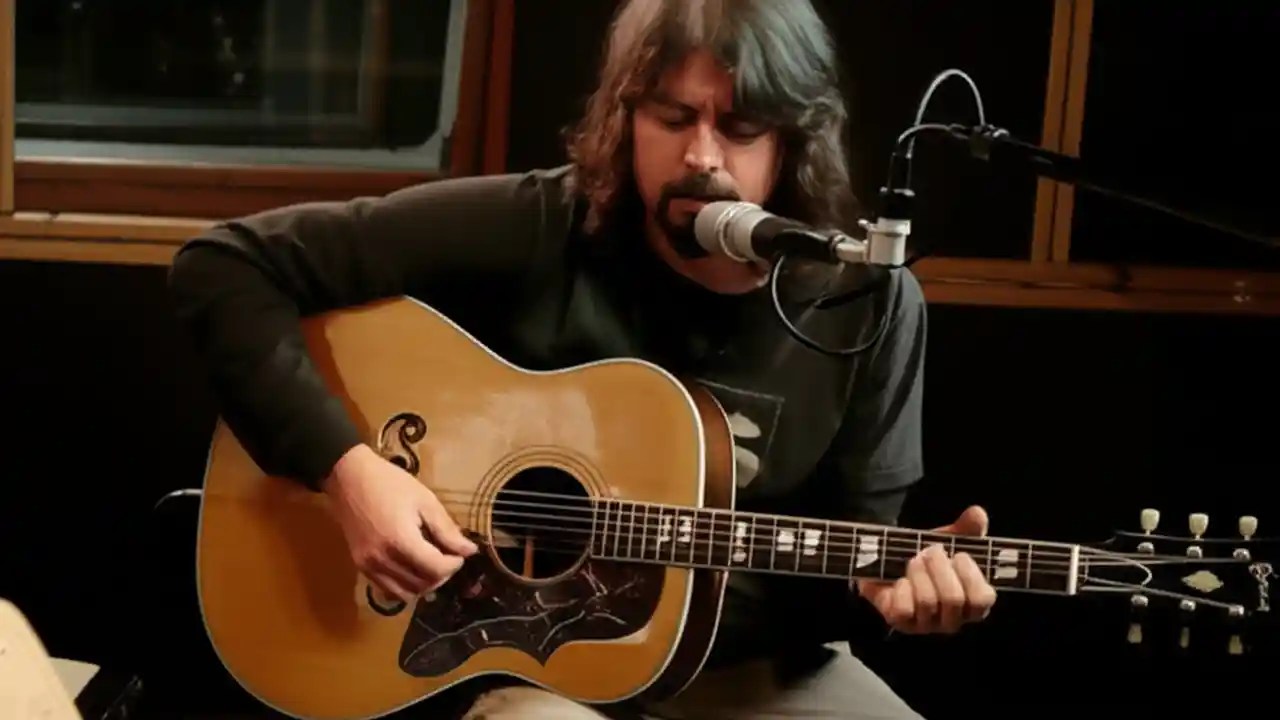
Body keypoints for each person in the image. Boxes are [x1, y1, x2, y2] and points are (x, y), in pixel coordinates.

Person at [168, 0, 997, 717]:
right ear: (625, 118)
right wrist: (346, 472)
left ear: (794, 141)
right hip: (526, 671)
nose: (703, 156)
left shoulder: (871, 304)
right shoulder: (538, 225)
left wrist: (892, 597)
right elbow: (224, 264)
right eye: (672, 118)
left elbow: (858, 550)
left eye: (740, 128)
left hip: (750, 676)